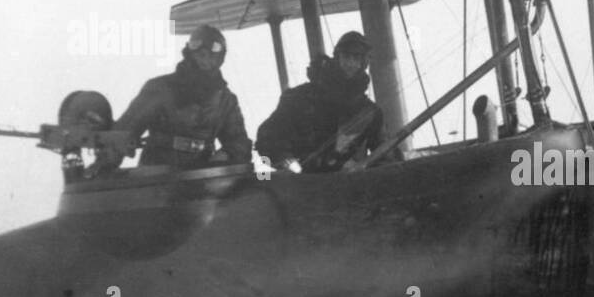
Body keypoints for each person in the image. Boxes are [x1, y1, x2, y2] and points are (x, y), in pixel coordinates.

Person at [101, 24, 252, 171]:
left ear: (221, 57)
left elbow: (239, 143)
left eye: (212, 51)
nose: (204, 56)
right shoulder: (160, 88)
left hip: (201, 177)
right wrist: (103, 166)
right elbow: (124, 131)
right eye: (198, 49)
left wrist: (219, 162)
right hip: (157, 176)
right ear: (189, 52)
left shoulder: (226, 100)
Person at [256, 31, 385, 173]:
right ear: (337, 58)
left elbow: (384, 154)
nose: (351, 63)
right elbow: (267, 137)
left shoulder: (368, 112)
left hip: (350, 185)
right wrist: (290, 165)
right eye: (346, 56)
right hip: (303, 184)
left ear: (364, 63)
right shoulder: (299, 98)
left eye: (357, 58)